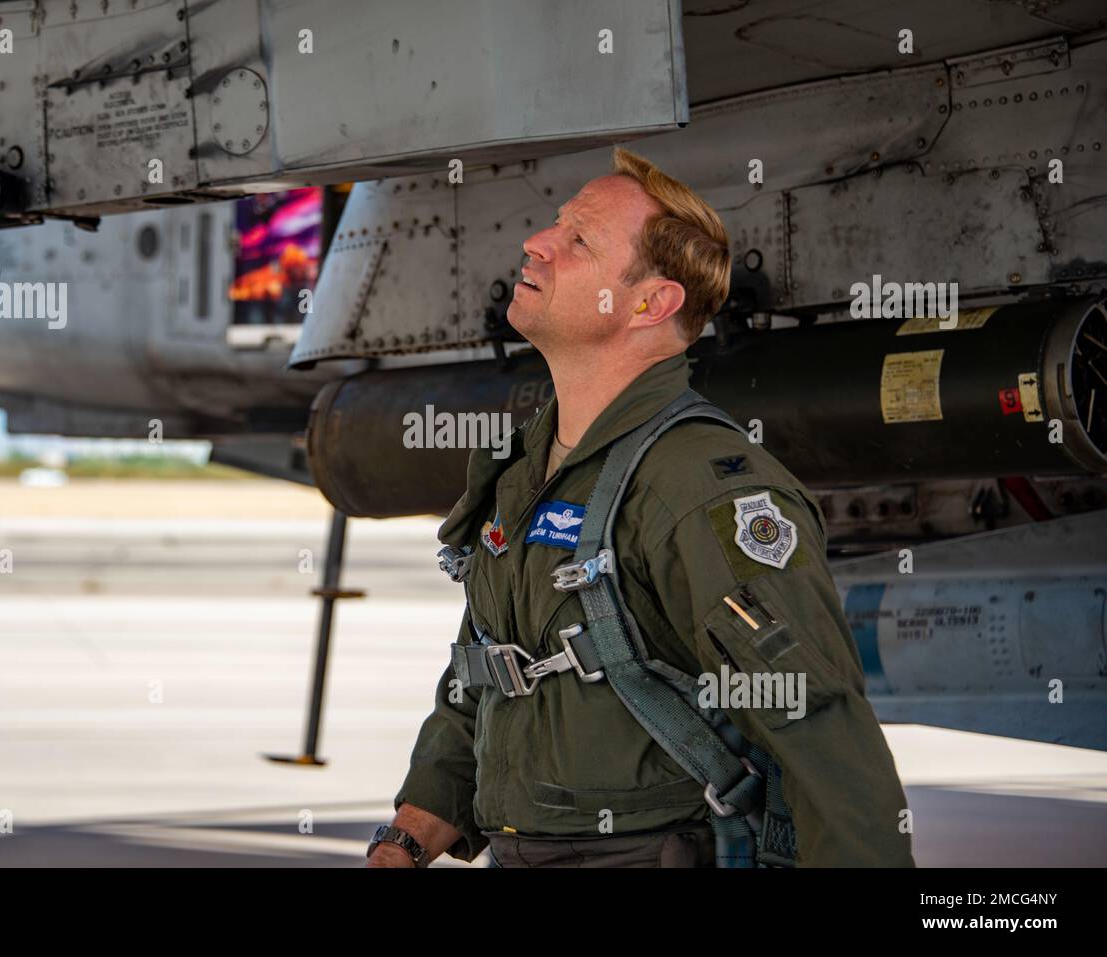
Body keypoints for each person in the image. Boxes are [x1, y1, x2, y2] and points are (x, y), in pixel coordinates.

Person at [366, 146, 915, 868]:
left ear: (651, 303)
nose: (538, 242)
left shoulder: (702, 487)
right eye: (556, 225)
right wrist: (407, 837)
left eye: (578, 240)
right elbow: (487, 671)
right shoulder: (527, 468)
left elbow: (819, 727)